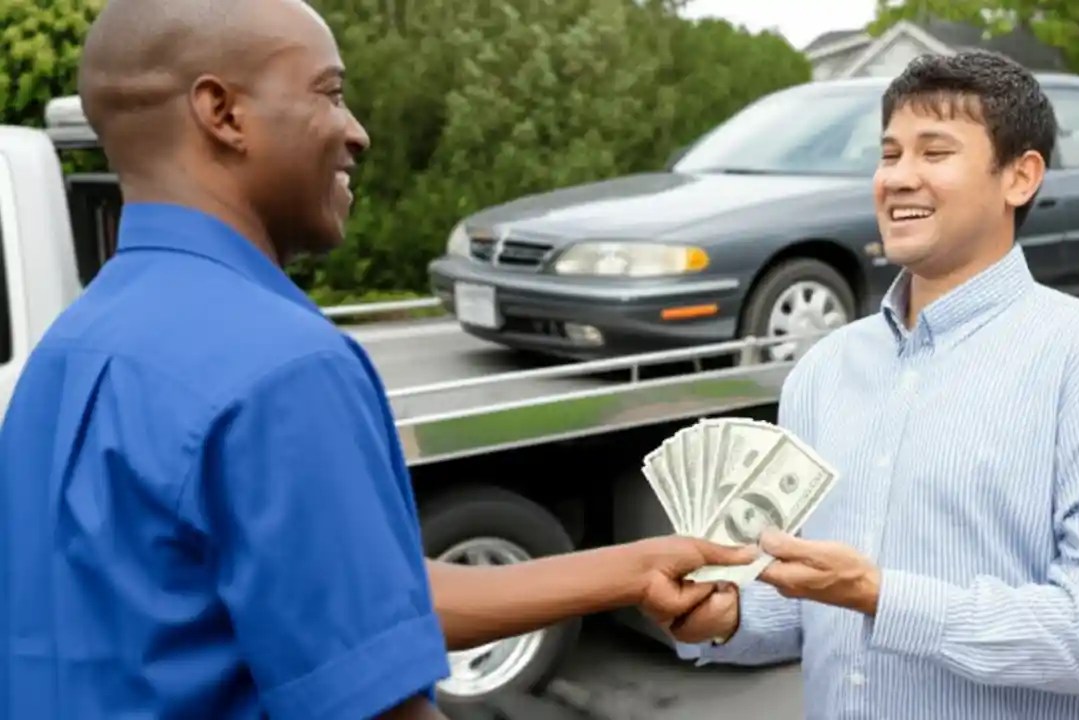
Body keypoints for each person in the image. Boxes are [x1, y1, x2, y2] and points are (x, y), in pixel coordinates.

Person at [0, 1, 754, 719]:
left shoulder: (67, 351)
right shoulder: (282, 366)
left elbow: (357, 603)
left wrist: (629, 570)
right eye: (329, 94)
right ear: (223, 113)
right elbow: (371, 705)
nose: (355, 132)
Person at [663, 52, 1079, 719]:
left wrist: (882, 595)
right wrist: (724, 616)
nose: (898, 179)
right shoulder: (822, 372)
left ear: (1020, 177)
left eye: (934, 153)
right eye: (888, 155)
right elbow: (811, 607)